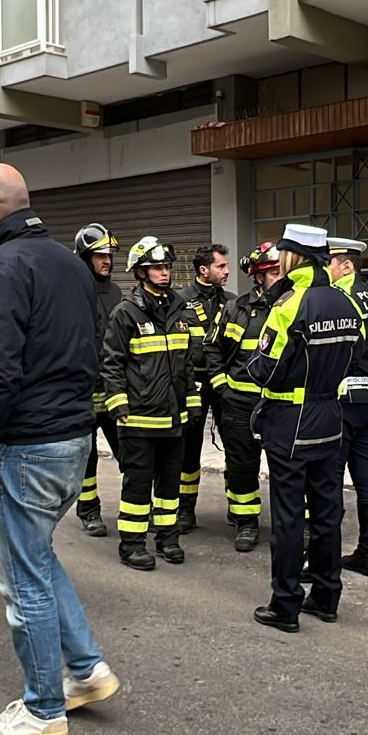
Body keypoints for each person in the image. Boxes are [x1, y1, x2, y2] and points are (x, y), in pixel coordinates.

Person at [0, 163, 118, 735]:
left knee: (20, 576)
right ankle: (86, 670)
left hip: (22, 444)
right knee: (39, 558)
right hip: (72, 435)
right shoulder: (67, 264)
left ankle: (43, 710)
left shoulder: (1, 267)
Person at [245, 224, 363, 633]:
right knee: (327, 512)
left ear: (292, 257)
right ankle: (327, 597)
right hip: (331, 418)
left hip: (290, 422)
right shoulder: (346, 303)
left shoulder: (289, 305)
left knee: (290, 518)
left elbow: (265, 368)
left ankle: (285, 605)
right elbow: (359, 353)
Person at [100, 237, 204, 570]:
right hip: (139, 420)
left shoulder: (179, 309)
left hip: (174, 419)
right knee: (138, 486)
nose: (164, 272)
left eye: (166, 267)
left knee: (170, 486)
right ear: (141, 272)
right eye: (157, 268)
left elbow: (187, 362)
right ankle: (131, 545)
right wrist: (119, 406)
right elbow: (111, 363)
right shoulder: (126, 313)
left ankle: (167, 538)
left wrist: (193, 403)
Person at [328, 238, 368, 578]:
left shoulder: (344, 297)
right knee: (366, 475)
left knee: (331, 479)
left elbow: (340, 348)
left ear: (347, 265)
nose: (326, 269)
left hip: (346, 399)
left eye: (330, 263)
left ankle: (319, 562)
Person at [210, 243, 282, 552]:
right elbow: (212, 348)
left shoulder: (293, 306)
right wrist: (222, 389)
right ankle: (246, 523)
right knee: (241, 467)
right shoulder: (234, 309)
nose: (281, 278)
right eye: (275, 273)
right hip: (239, 404)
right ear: (258, 276)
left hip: (280, 404)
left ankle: (290, 525)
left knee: (286, 467)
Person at [173, 243, 230, 540]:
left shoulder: (233, 303)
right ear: (203, 270)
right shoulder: (179, 301)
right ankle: (185, 510)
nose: (227, 271)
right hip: (192, 383)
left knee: (236, 445)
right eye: (221, 266)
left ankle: (238, 507)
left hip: (225, 384)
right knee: (189, 449)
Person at [71, 223, 121, 538]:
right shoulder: (73, 291)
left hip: (115, 388)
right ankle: (88, 510)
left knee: (130, 452)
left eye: (109, 255)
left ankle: (138, 506)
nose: (107, 260)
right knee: (86, 457)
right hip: (84, 390)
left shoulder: (116, 292)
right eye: (100, 255)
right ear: (85, 257)